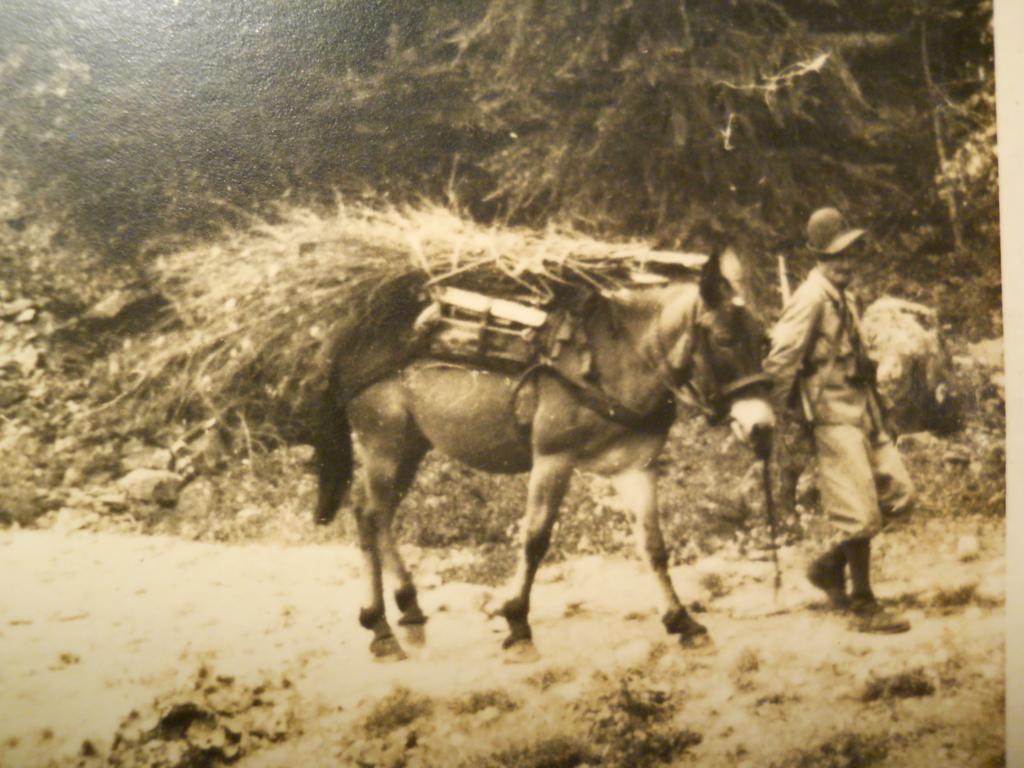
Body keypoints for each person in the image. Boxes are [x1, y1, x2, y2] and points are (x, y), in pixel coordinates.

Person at [764, 207, 915, 634]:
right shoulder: (809, 300)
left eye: (850, 254)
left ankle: (830, 567)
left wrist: (882, 406)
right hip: (831, 415)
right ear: (819, 260)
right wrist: (770, 420)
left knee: (901, 493)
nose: (846, 263)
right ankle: (863, 604)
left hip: (865, 412)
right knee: (860, 511)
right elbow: (780, 363)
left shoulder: (844, 297)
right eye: (836, 257)